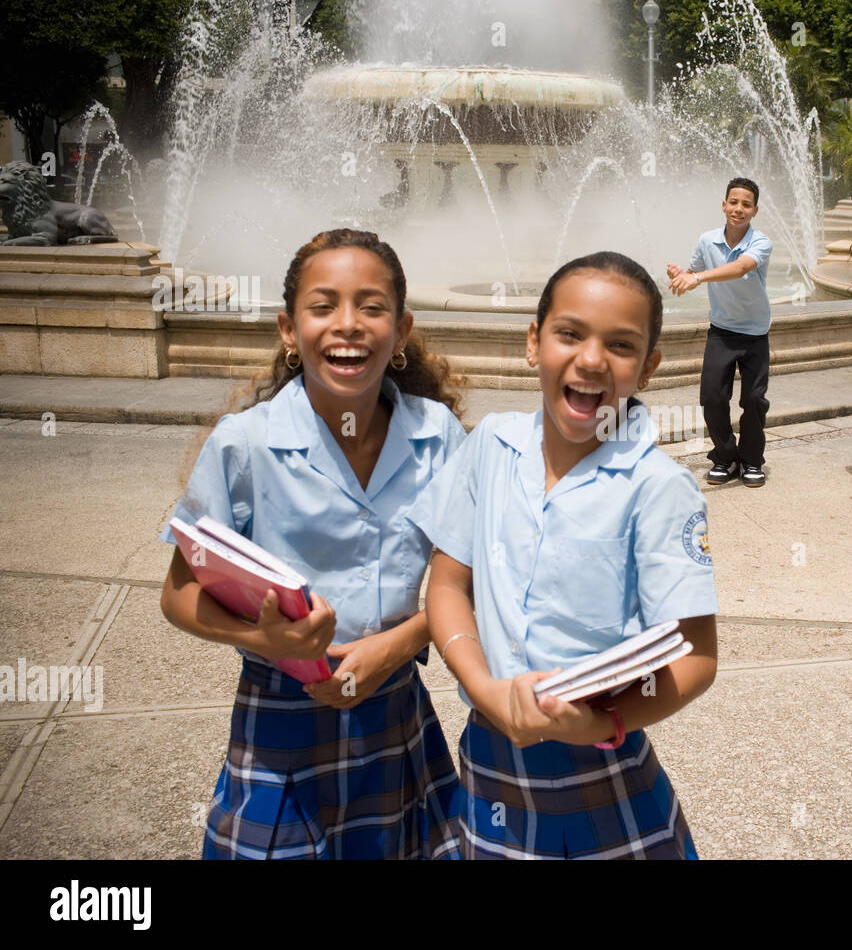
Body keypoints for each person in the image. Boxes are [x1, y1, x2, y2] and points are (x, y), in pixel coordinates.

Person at [159, 228, 466, 858]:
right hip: (279, 722)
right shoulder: (242, 446)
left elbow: (467, 581)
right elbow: (177, 593)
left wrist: (397, 644)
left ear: (402, 330)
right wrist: (259, 637)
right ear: (288, 331)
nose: (347, 325)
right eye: (323, 307)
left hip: (397, 715)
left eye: (372, 307)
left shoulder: (439, 439)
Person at [426, 251, 719, 859]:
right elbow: (449, 585)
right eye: (569, 333)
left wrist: (596, 724)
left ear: (648, 366)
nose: (591, 359)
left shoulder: (658, 486)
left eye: (620, 345)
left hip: (605, 768)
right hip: (488, 759)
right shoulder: (490, 447)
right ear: (534, 342)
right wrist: (485, 690)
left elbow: (696, 656)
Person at [668, 177, 773, 487]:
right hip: (722, 332)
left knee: (753, 400)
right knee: (712, 397)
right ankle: (726, 457)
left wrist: (697, 278)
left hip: (754, 332)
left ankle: (752, 460)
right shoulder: (707, 240)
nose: (738, 209)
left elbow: (740, 268)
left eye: (746, 204)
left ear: (755, 210)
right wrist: (681, 275)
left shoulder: (760, 242)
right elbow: (693, 272)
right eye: (733, 202)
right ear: (724, 205)